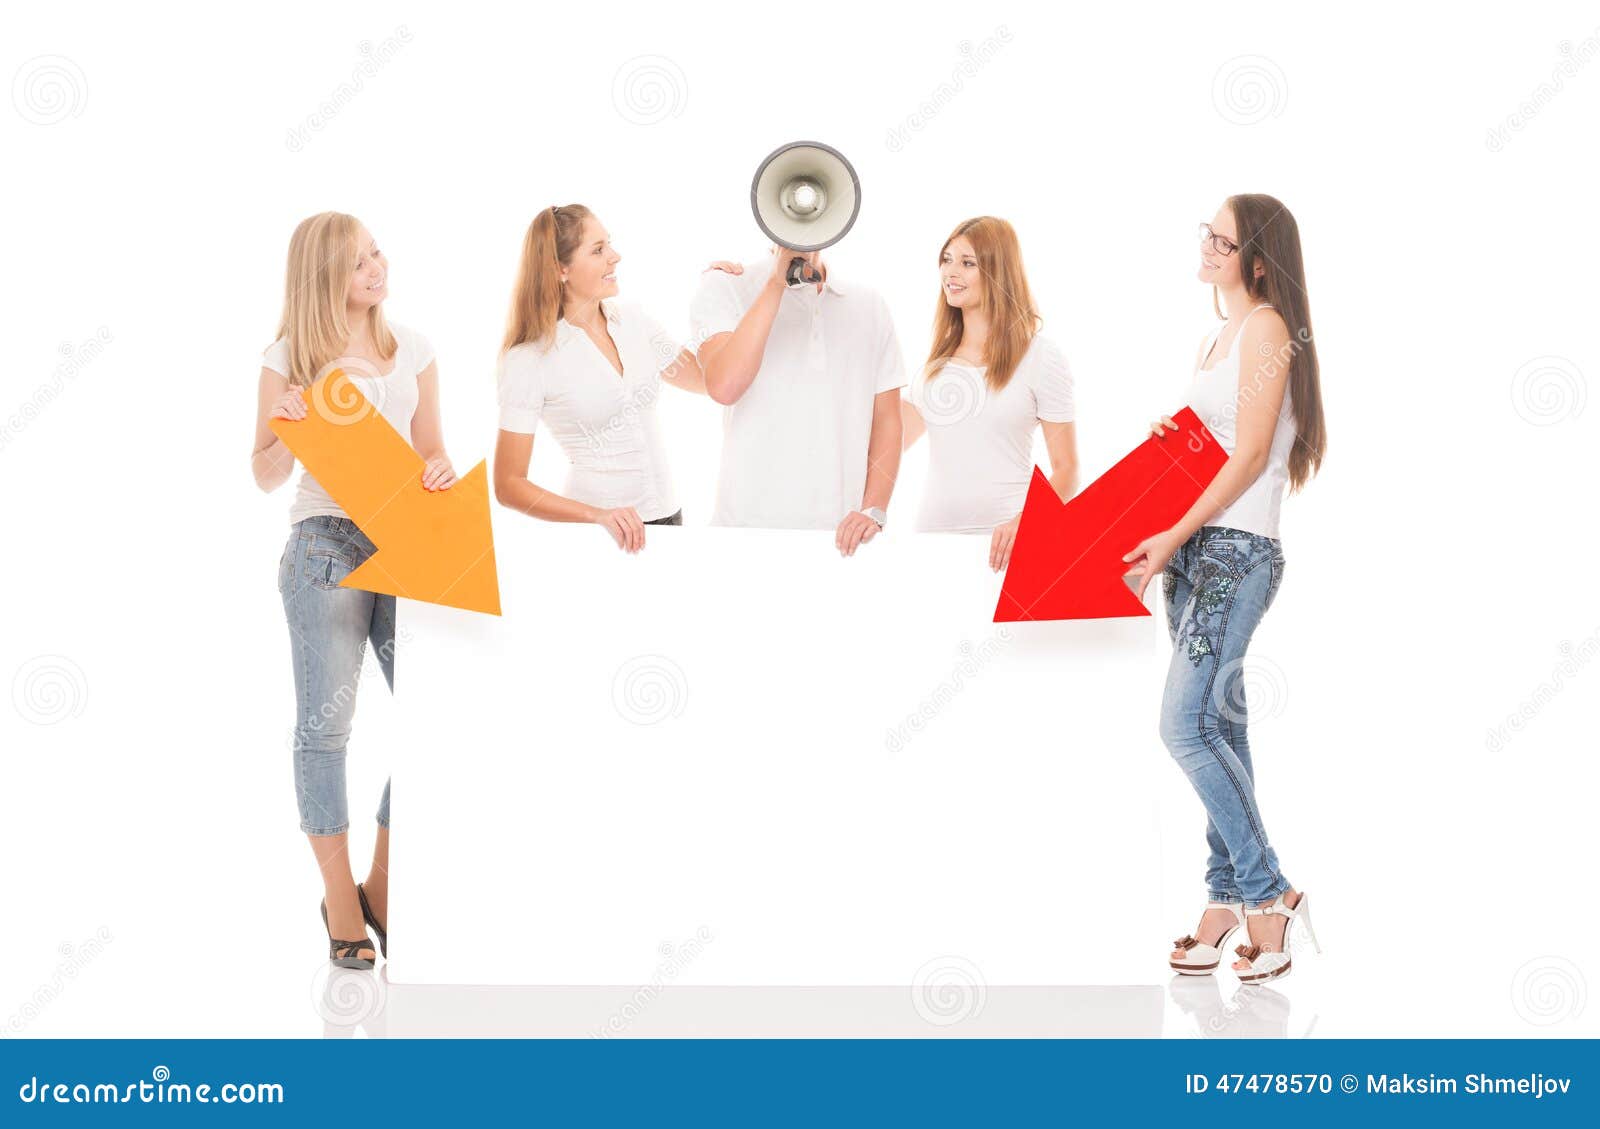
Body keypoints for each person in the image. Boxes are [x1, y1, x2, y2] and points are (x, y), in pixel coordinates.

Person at [1123, 195, 1327, 983]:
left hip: (1237, 552)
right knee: (1219, 724)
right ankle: (1224, 897)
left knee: (1182, 725)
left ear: (1257, 259)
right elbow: (1215, 449)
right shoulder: (1217, 338)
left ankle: (1270, 890)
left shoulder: (1269, 325)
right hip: (1199, 550)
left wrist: (1172, 535)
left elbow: (1246, 461)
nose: (1206, 247)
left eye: (1222, 239)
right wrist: (1171, 445)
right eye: (1204, 234)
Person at [251, 212, 458, 969]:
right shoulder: (290, 356)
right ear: (322, 279)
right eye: (356, 262)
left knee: (439, 716)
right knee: (324, 730)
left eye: (376, 252)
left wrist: (438, 468)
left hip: (408, 540)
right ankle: (341, 901)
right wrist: (285, 426)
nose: (376, 267)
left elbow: (432, 448)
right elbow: (265, 472)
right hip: (324, 545)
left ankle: (380, 879)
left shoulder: (416, 349)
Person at [493, 204, 721, 551]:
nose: (615, 257)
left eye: (609, 245)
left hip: (670, 520)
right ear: (560, 269)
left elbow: (711, 381)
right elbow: (508, 484)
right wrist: (597, 515)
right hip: (600, 536)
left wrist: (720, 292)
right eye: (598, 250)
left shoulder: (635, 322)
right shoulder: (529, 358)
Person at [690, 244, 905, 554]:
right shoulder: (726, 285)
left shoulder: (869, 304)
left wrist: (873, 510)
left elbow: (886, 419)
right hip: (743, 537)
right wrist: (776, 284)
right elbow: (724, 386)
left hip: (841, 542)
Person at [901, 216, 1078, 570]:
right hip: (932, 538)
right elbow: (886, 444)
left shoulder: (1040, 357)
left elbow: (1067, 469)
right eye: (947, 259)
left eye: (968, 263)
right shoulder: (936, 368)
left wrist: (1026, 523)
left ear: (999, 272)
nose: (951, 272)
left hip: (1005, 544)